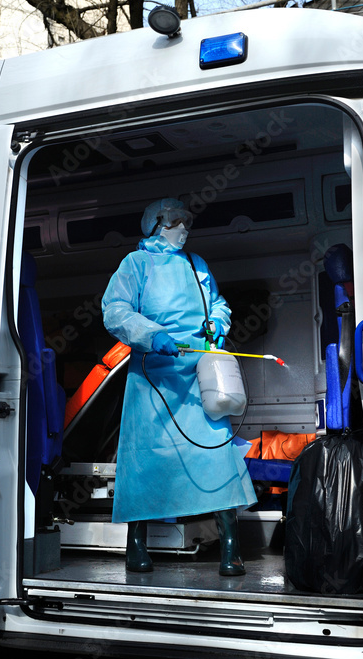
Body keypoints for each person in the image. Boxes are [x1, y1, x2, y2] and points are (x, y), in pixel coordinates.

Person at [102, 198, 257, 576]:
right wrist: (152, 336)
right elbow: (115, 311)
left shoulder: (195, 264)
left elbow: (218, 304)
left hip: (199, 372)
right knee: (145, 463)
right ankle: (136, 547)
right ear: (155, 223)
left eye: (187, 221)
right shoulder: (136, 264)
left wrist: (218, 323)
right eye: (176, 221)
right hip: (154, 375)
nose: (184, 227)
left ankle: (231, 549)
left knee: (219, 456)